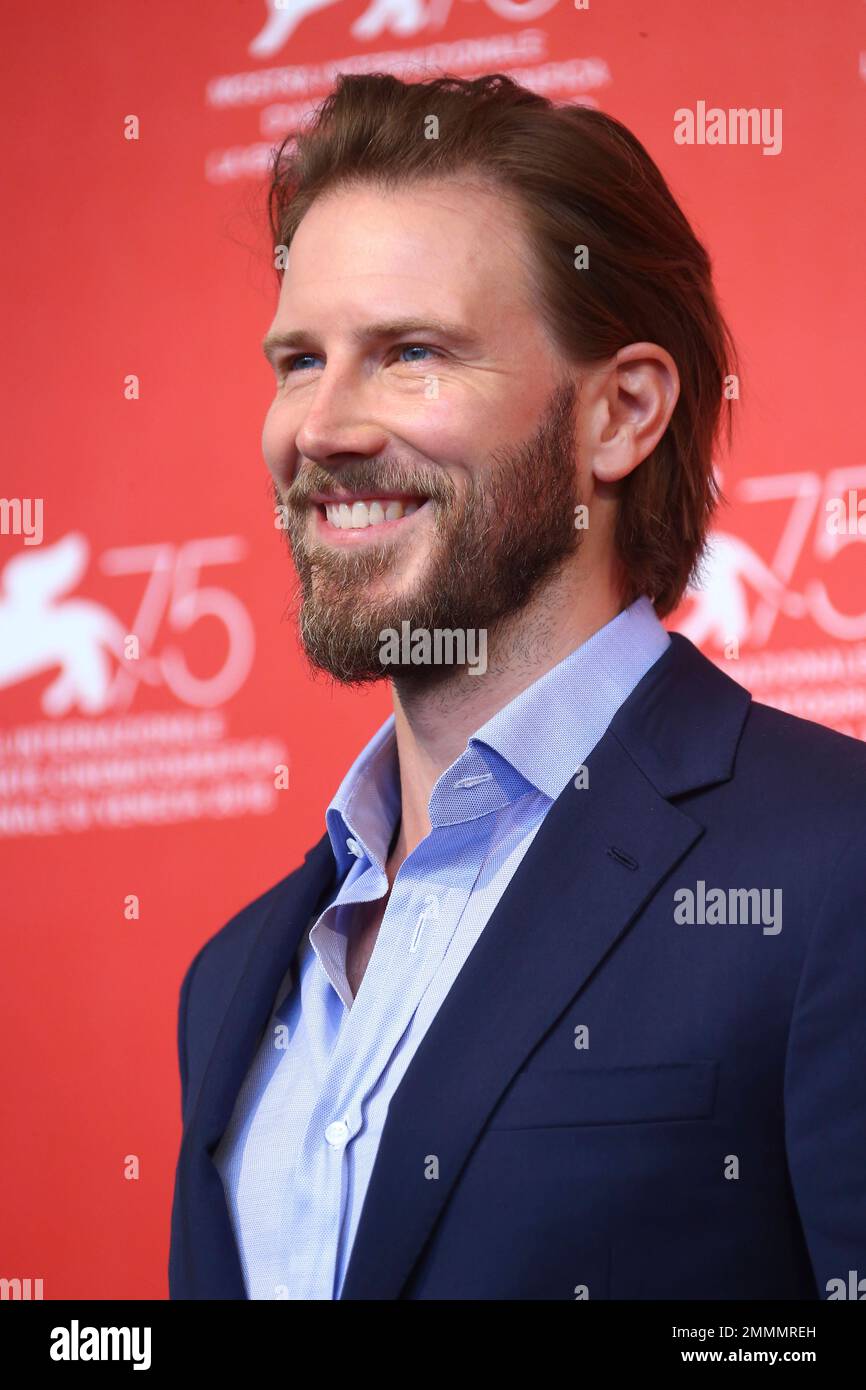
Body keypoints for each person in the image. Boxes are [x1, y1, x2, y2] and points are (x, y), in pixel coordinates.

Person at [169, 72, 866, 1300]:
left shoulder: (832, 867)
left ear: (620, 414)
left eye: (411, 352)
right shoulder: (231, 980)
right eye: (297, 360)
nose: (318, 427)